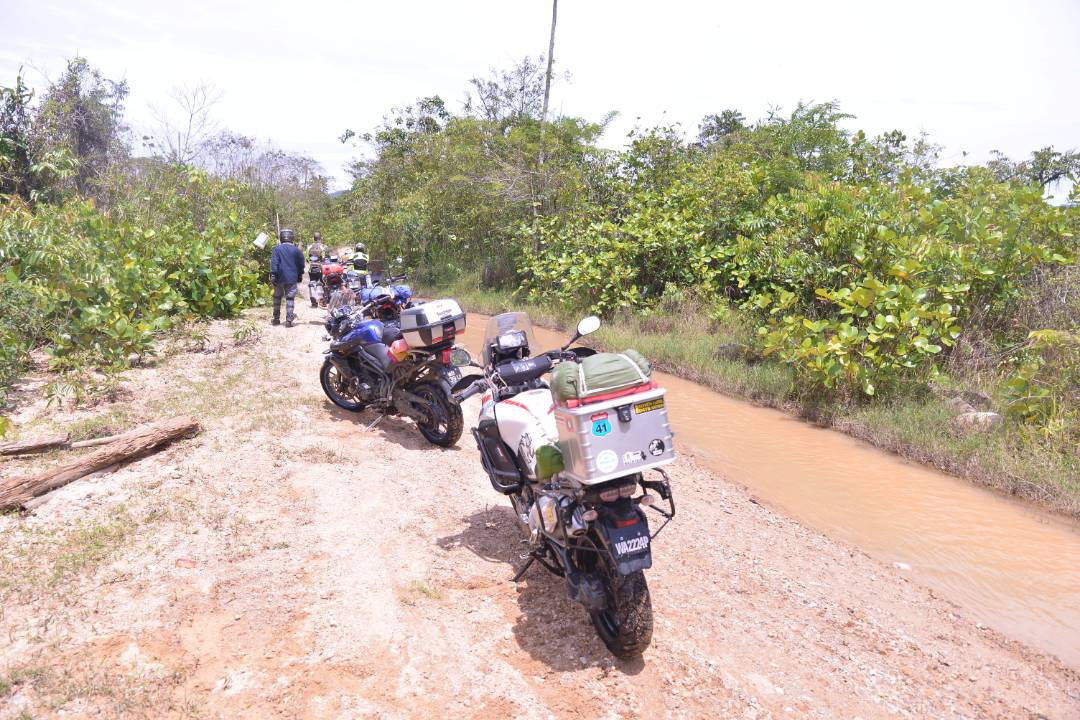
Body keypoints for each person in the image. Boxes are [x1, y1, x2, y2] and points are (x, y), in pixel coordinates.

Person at [270, 228, 305, 327]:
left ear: (281, 238)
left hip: (279, 277)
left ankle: (276, 319)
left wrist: (273, 275)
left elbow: (274, 263)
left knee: (277, 298)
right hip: (292, 278)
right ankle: (289, 320)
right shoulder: (297, 250)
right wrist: (300, 275)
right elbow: (301, 264)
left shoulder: (276, 249)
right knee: (290, 299)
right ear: (291, 238)